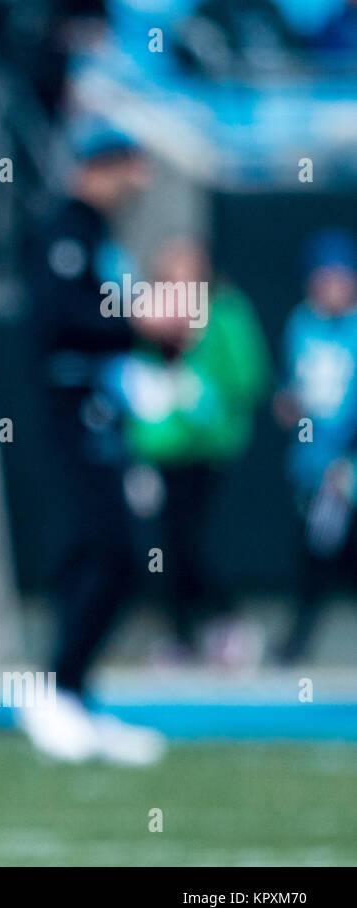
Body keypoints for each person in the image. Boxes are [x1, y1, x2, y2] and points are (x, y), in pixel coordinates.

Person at [18, 120, 175, 765]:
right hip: (72, 409)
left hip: (105, 412)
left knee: (112, 550)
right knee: (104, 545)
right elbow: (62, 318)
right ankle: (56, 691)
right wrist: (139, 324)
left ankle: (74, 692)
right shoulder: (65, 229)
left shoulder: (101, 236)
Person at [118, 238, 269, 666]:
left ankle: (226, 622)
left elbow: (246, 377)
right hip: (156, 450)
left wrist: (201, 396)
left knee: (190, 541)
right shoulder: (147, 310)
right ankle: (180, 636)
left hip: (205, 450)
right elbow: (135, 371)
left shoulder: (225, 311)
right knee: (161, 547)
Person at [273, 228, 357, 664]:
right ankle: (297, 640)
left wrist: (346, 465)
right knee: (315, 555)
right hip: (314, 465)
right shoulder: (301, 323)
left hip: (346, 464)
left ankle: (296, 640)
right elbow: (299, 391)